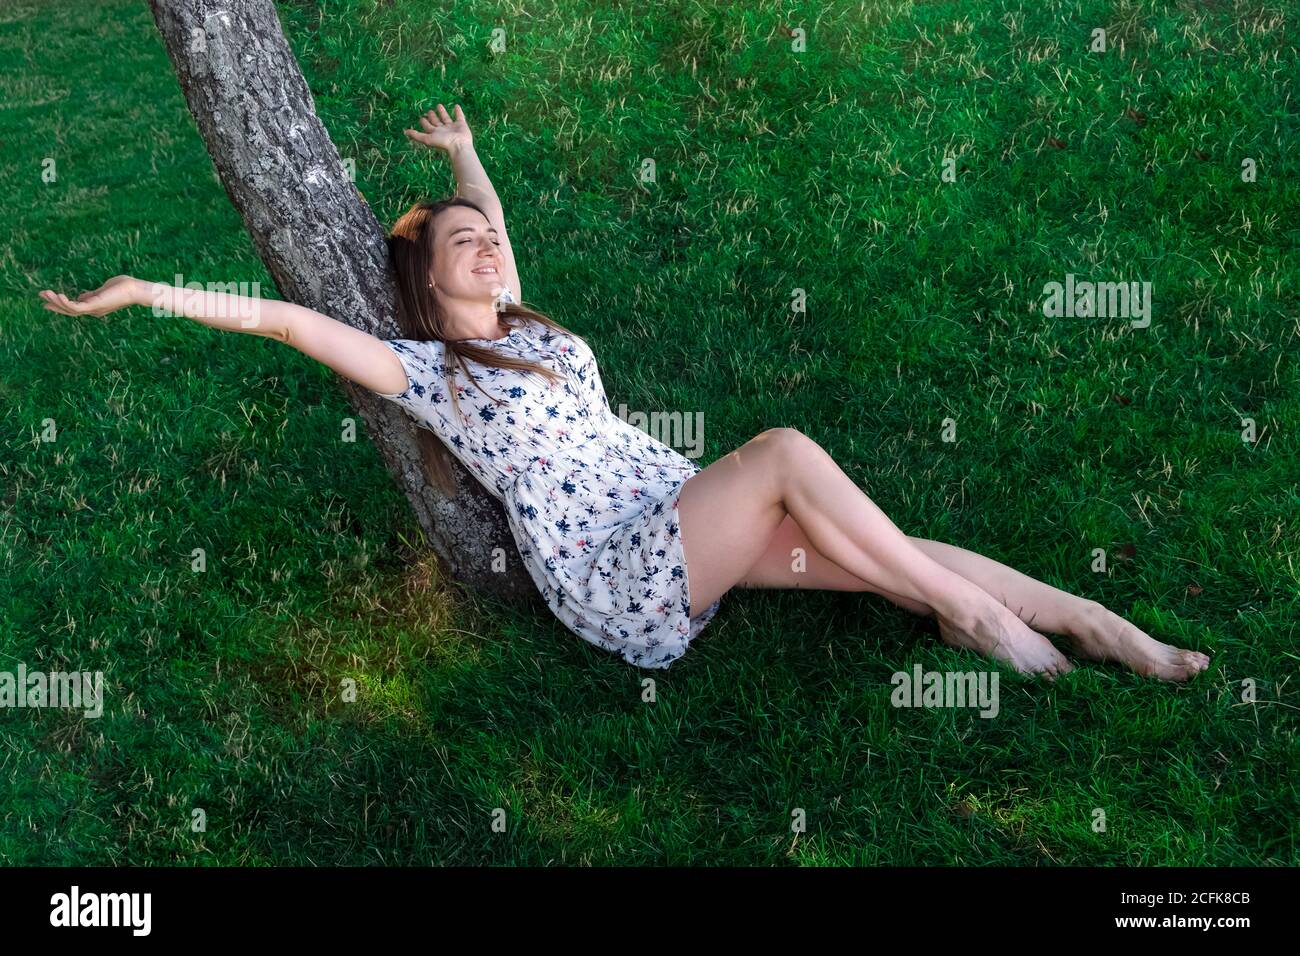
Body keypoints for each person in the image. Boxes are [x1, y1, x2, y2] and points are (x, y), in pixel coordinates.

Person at [40, 104, 1210, 681]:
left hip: (673, 508)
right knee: (793, 450)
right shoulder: (430, 373)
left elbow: (494, 216)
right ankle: (973, 617)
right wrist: (150, 290)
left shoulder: (525, 323)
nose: (490, 251)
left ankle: (1109, 630)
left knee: (889, 544)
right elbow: (293, 320)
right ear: (427, 286)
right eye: (464, 250)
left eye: (488, 243)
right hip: (616, 567)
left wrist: (462, 158)